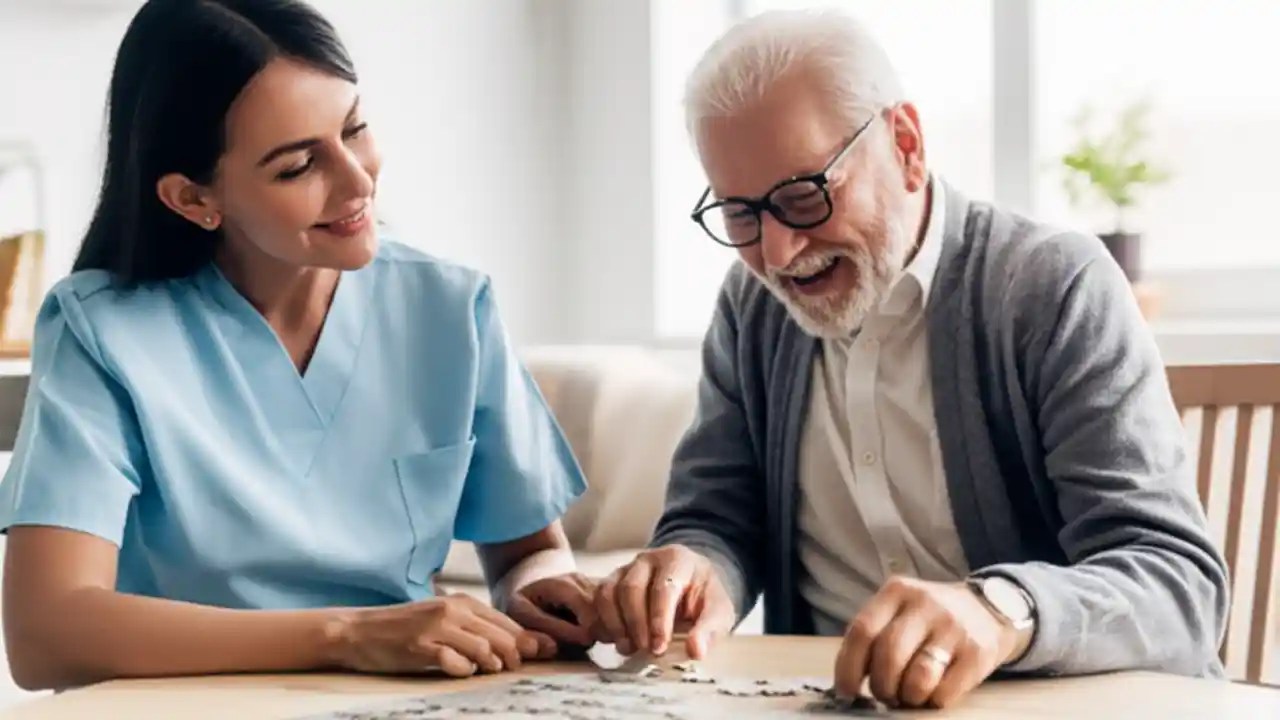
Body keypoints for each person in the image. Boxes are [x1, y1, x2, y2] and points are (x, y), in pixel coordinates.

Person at [589, 9, 1229, 710]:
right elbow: (715, 518)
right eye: (741, 214)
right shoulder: (751, 307)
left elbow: (1179, 585)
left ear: (906, 144)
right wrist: (694, 571)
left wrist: (1001, 612)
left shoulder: (1052, 287)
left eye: (803, 197)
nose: (775, 255)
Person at [0, 0, 597, 692]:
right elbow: (46, 633)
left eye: (355, 129)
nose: (358, 181)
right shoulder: (101, 332)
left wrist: (550, 593)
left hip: (406, 703)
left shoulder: (449, 307)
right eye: (297, 166)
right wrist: (348, 636)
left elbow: (528, 554)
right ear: (194, 199)